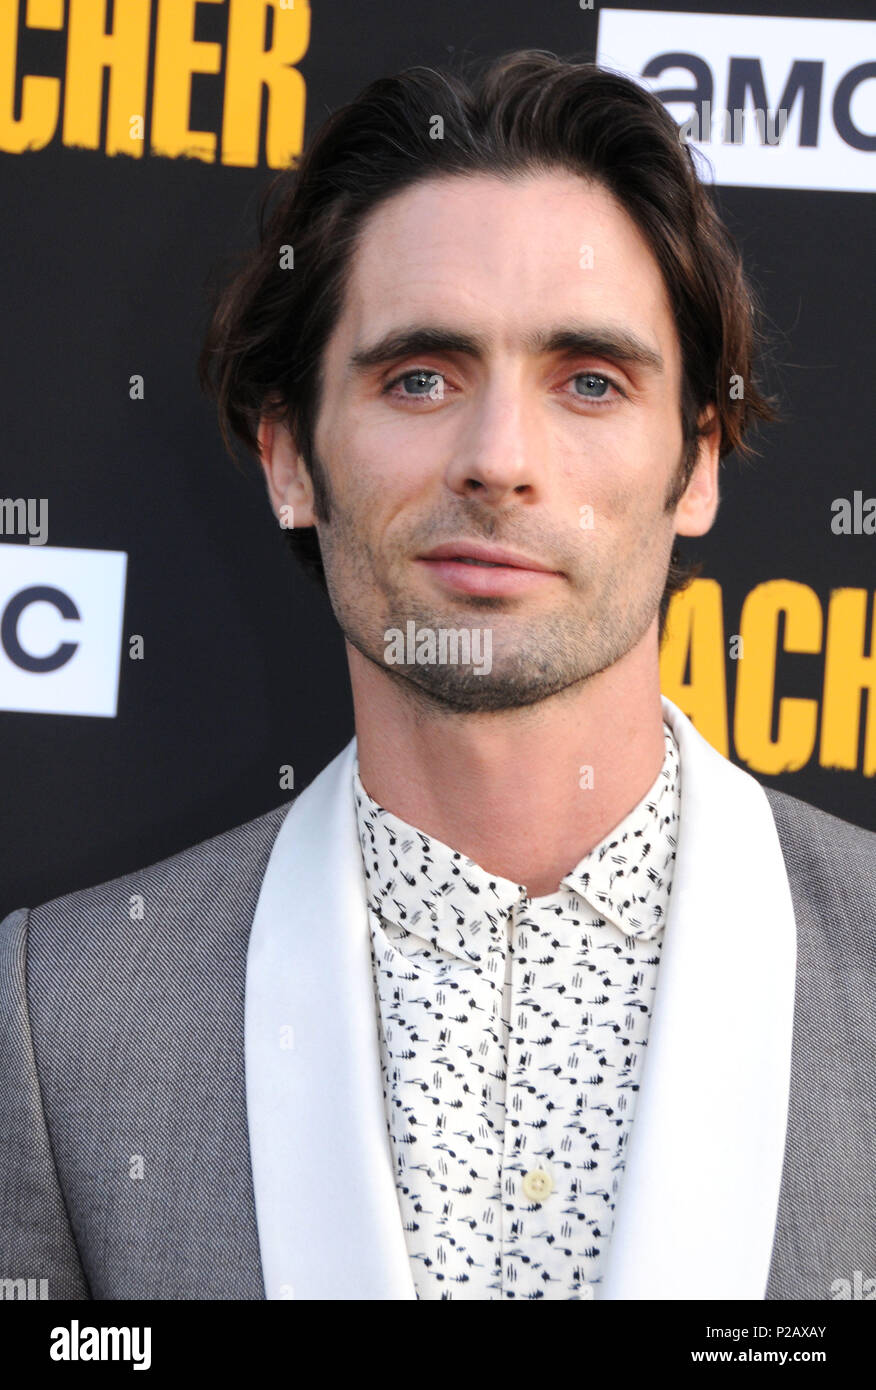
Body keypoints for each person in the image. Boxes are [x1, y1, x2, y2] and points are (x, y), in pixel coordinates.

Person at [1, 51, 873, 1302]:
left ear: (698, 465)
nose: (499, 458)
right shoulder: (58, 1027)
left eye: (588, 381)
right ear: (291, 457)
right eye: (420, 376)